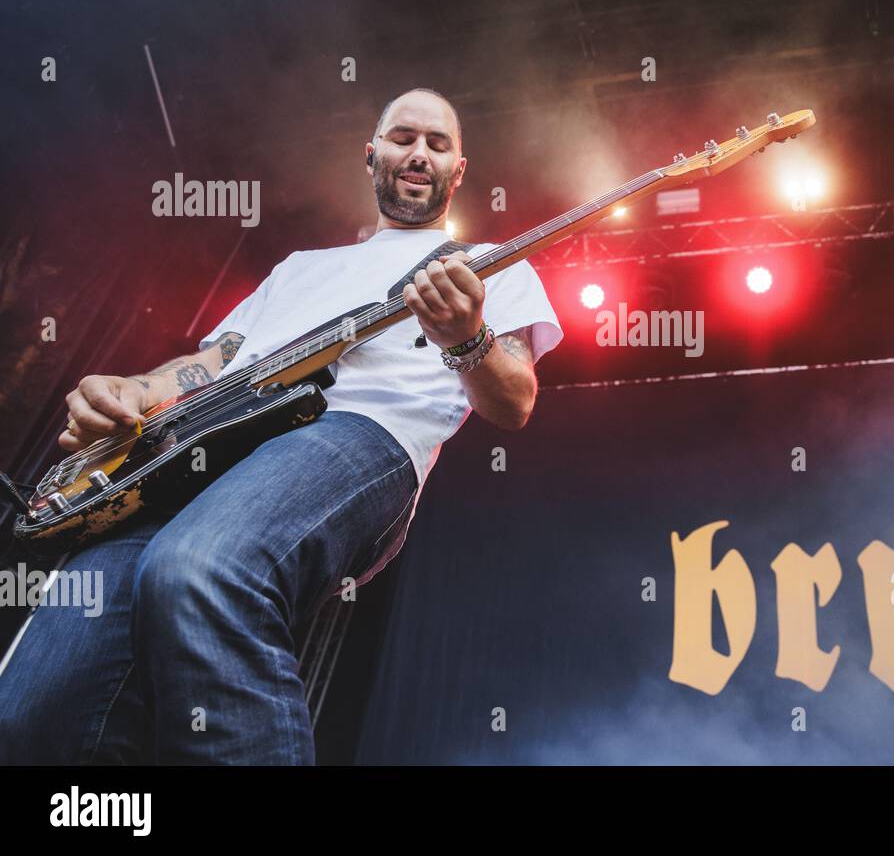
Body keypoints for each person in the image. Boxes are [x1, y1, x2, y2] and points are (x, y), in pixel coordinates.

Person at [0, 87, 563, 764]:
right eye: (402, 137)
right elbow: (213, 363)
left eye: (437, 144)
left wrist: (468, 335)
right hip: (198, 448)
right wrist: (130, 389)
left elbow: (515, 398)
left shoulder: (490, 260)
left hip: (355, 431)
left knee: (199, 567)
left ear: (459, 170)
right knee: (34, 706)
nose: (418, 153)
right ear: (371, 154)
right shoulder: (300, 269)